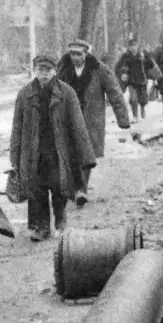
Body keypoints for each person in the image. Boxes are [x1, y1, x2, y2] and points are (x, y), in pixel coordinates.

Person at [11, 53, 96, 242]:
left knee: (59, 188)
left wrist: (85, 156)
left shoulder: (66, 93)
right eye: (40, 69)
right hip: (34, 151)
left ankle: (61, 222)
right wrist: (14, 157)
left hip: (59, 150)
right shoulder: (25, 94)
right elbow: (17, 127)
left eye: (47, 70)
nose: (43, 74)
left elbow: (78, 125)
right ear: (34, 70)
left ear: (55, 71)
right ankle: (41, 227)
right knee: (36, 189)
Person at [56, 39, 129, 207]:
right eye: (72, 54)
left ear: (86, 53)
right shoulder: (62, 70)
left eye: (78, 54)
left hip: (90, 120)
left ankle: (81, 189)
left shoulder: (99, 70)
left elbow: (114, 92)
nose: (75, 57)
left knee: (86, 154)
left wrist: (122, 118)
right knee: (69, 152)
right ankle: (74, 187)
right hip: (68, 118)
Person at [115, 38, 157, 123]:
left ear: (137, 46)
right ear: (129, 47)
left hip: (142, 80)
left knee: (143, 99)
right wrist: (122, 74)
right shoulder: (125, 56)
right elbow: (117, 67)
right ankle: (135, 116)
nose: (133, 48)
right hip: (131, 81)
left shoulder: (143, 54)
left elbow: (151, 65)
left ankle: (142, 108)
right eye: (131, 46)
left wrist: (147, 56)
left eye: (135, 46)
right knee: (133, 98)